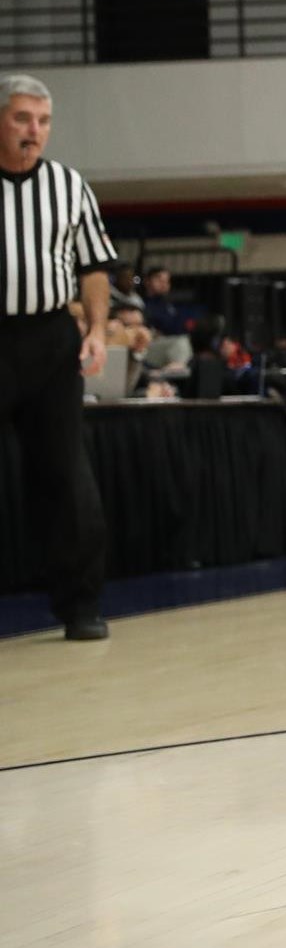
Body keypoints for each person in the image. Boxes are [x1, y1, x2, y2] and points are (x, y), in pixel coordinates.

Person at [0, 74, 113, 641]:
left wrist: (96, 330)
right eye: (22, 118)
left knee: (65, 472)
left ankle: (80, 605)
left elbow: (94, 267)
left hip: (50, 340)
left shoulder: (69, 186)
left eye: (43, 122)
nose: (34, 132)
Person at [139, 265, 182, 335]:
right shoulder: (139, 302)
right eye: (159, 280)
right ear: (147, 281)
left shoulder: (168, 304)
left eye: (167, 281)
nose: (164, 284)